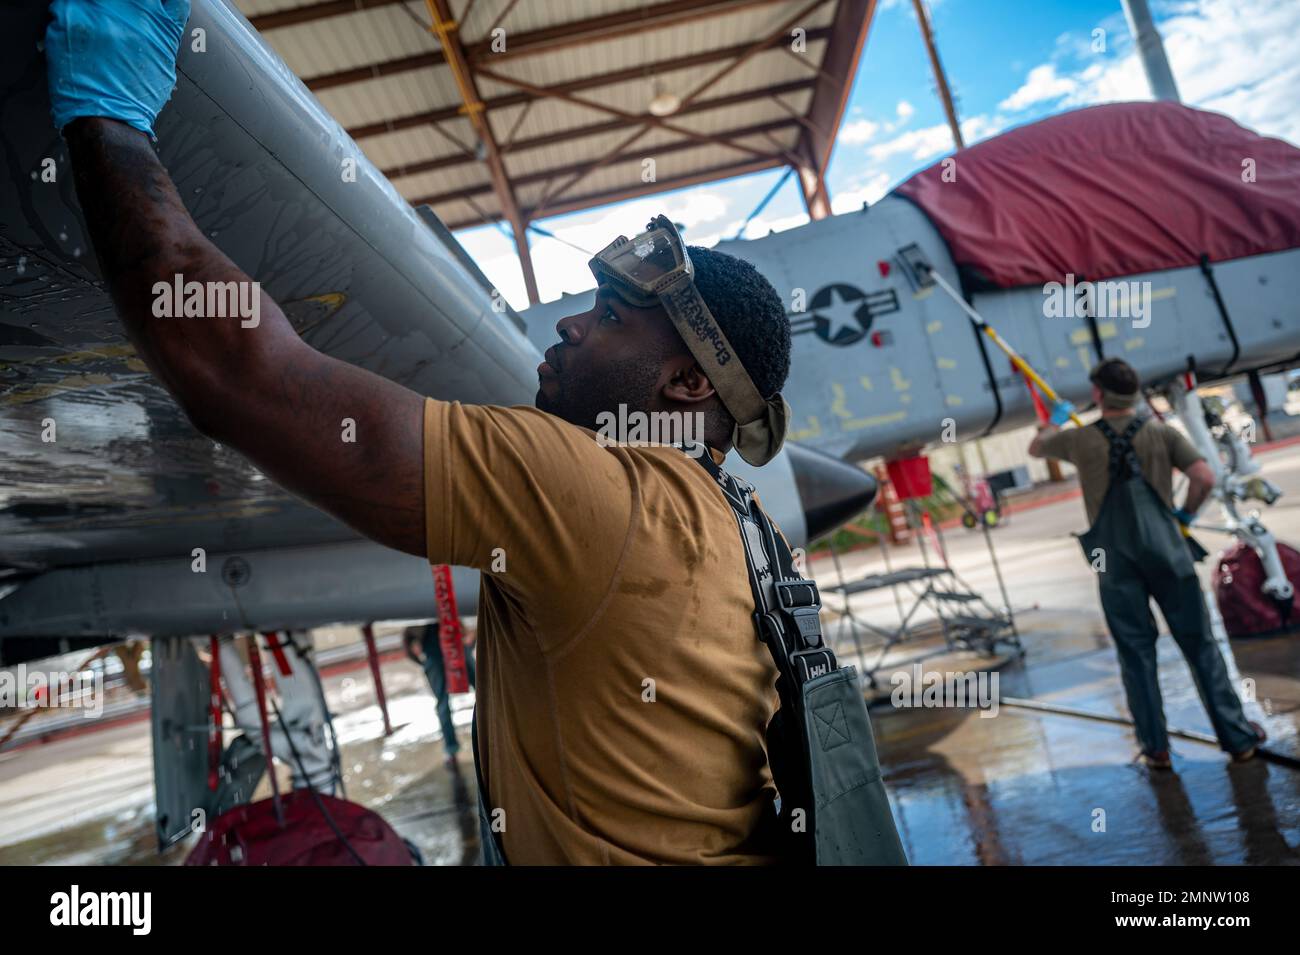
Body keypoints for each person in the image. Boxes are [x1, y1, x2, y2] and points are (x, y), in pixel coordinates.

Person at [47, 1, 809, 863]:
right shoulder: (748, 530)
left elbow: (238, 374)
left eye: (611, 317)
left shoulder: (601, 492)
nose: (569, 327)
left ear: (685, 381)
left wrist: (104, 114)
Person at [1029, 358, 1265, 769]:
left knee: (1136, 654)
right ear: (1134, 393)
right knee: (1201, 646)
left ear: (1099, 394)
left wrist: (1053, 421)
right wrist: (1186, 517)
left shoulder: (1080, 440)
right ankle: (1238, 738)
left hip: (1115, 564)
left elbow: (1037, 448)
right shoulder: (1161, 433)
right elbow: (1204, 477)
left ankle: (1156, 748)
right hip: (1168, 553)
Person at [403, 622, 476, 764]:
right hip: (442, 647)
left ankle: (452, 750)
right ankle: (451, 749)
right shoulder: (418, 625)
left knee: (483, 692)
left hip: (451, 645)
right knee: (444, 703)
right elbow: (408, 638)